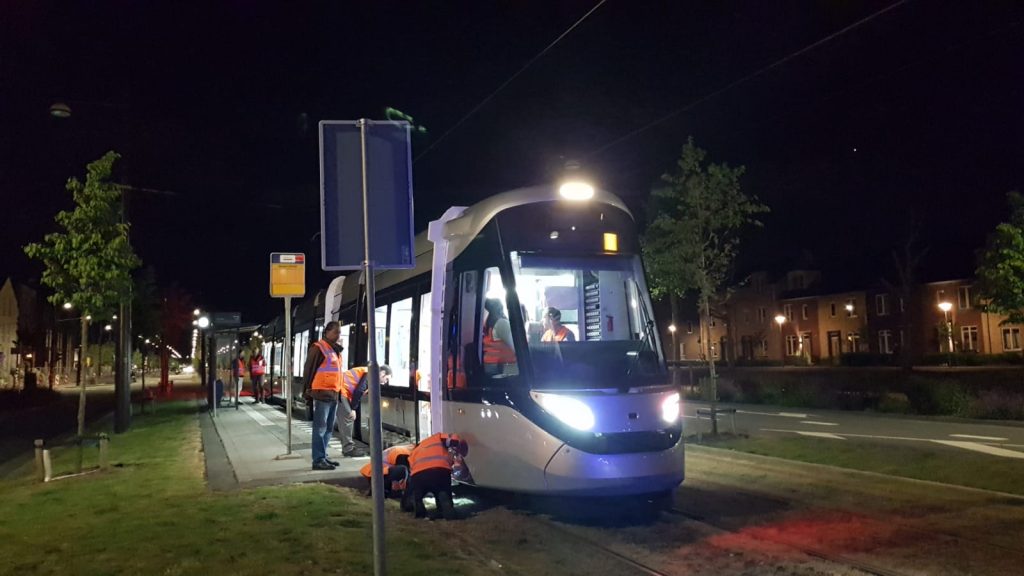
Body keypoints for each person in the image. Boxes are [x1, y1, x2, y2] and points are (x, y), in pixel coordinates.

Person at [302, 321, 344, 470]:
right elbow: (309, 370)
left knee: (328, 429)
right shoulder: (319, 348)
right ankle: (318, 459)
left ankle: (323, 456)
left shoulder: (335, 350)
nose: (338, 335)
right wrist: (306, 391)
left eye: (339, 332)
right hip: (322, 393)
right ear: (327, 332)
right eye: (336, 332)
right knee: (320, 428)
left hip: (333, 394)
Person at [402, 432, 468, 519]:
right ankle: (446, 509)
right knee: (442, 491)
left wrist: (406, 503)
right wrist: (460, 449)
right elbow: (454, 440)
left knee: (417, 495)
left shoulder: (414, 451)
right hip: (440, 471)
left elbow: (411, 472)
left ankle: (420, 511)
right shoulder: (437, 438)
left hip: (419, 475)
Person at [338, 364, 392, 457]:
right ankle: (348, 449)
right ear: (382, 373)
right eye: (386, 379)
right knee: (349, 417)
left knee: (345, 419)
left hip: (342, 390)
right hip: (341, 391)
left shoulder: (369, 373)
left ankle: (347, 447)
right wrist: (353, 409)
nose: (385, 382)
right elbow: (359, 390)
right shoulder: (370, 374)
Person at [482, 298, 515, 376]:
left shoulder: (500, 324)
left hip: (500, 369)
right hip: (499, 370)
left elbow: (517, 348)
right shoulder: (496, 325)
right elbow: (517, 348)